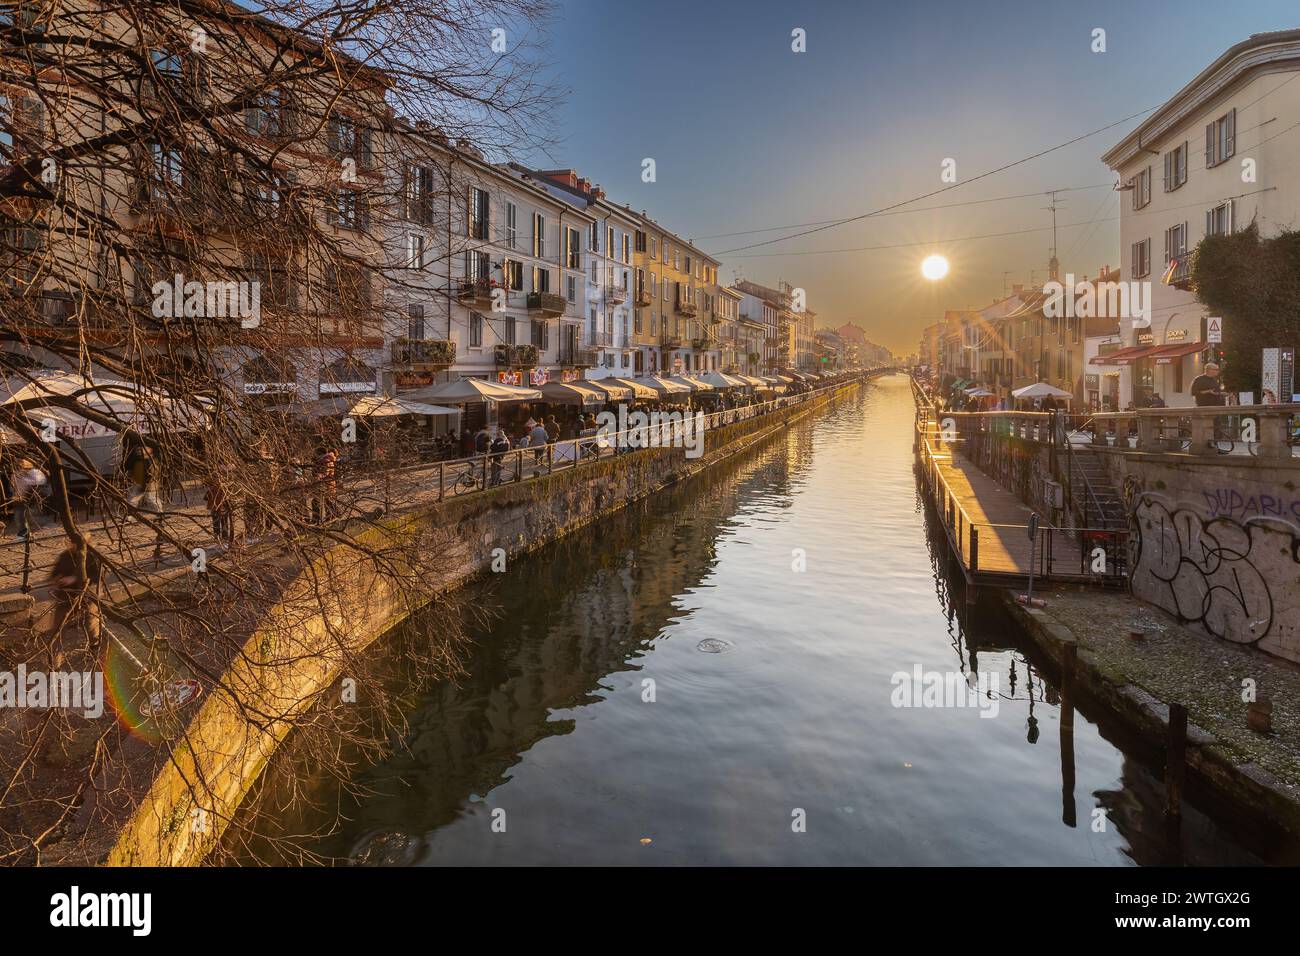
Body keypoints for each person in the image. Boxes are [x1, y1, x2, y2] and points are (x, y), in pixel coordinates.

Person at [46, 539, 103, 652]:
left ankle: (95, 647)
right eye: (70, 542)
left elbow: (96, 577)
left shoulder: (92, 557)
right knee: (58, 628)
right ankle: (54, 656)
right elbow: (54, 574)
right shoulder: (65, 556)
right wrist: (55, 579)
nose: (71, 545)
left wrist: (75, 578)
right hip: (66, 596)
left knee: (90, 623)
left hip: (87, 596)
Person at [10, 457, 46, 539]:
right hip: (19, 497)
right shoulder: (15, 475)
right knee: (20, 516)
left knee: (29, 516)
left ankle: (33, 532)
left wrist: (26, 480)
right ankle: (25, 533)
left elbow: (40, 481)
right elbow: (13, 486)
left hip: (30, 498)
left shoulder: (35, 473)